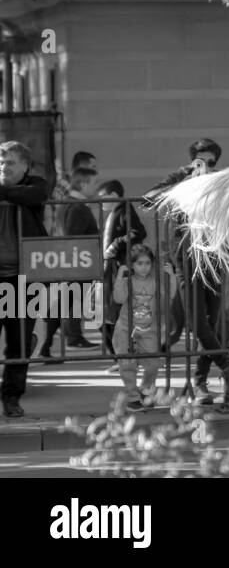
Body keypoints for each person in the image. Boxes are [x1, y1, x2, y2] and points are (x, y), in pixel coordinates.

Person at [143, 138, 228, 404]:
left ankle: (199, 382)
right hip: (186, 257)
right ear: (192, 160)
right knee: (196, 322)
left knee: (212, 323)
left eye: (212, 161)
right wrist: (185, 177)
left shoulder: (221, 180)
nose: (207, 166)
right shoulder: (181, 178)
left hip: (215, 255)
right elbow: (148, 200)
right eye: (201, 160)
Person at [0, 140, 49, 417]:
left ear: (25, 166)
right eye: (1, 162)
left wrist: (5, 192)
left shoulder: (36, 183)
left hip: (25, 278)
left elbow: (35, 195)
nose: (4, 167)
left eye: (10, 163)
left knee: (18, 344)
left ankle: (11, 397)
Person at [40, 164, 100, 359]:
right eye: (94, 183)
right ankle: (67, 339)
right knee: (67, 304)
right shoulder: (77, 206)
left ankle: (47, 343)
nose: (96, 188)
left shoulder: (70, 203)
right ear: (82, 184)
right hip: (78, 264)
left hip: (73, 264)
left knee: (64, 305)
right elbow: (74, 237)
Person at [113, 245, 175, 411]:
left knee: (153, 364)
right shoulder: (128, 281)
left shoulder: (154, 282)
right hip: (126, 328)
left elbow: (167, 298)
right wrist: (120, 275)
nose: (144, 267)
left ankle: (146, 390)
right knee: (127, 364)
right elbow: (119, 299)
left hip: (148, 329)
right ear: (132, 265)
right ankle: (133, 397)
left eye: (147, 263)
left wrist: (172, 277)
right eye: (139, 263)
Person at [99, 179, 148, 362]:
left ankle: (124, 357)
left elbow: (138, 232)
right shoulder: (115, 212)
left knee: (114, 315)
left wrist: (116, 244)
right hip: (112, 270)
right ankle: (121, 357)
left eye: (103, 197)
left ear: (113, 196)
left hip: (120, 270)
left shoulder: (125, 209)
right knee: (104, 315)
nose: (100, 201)